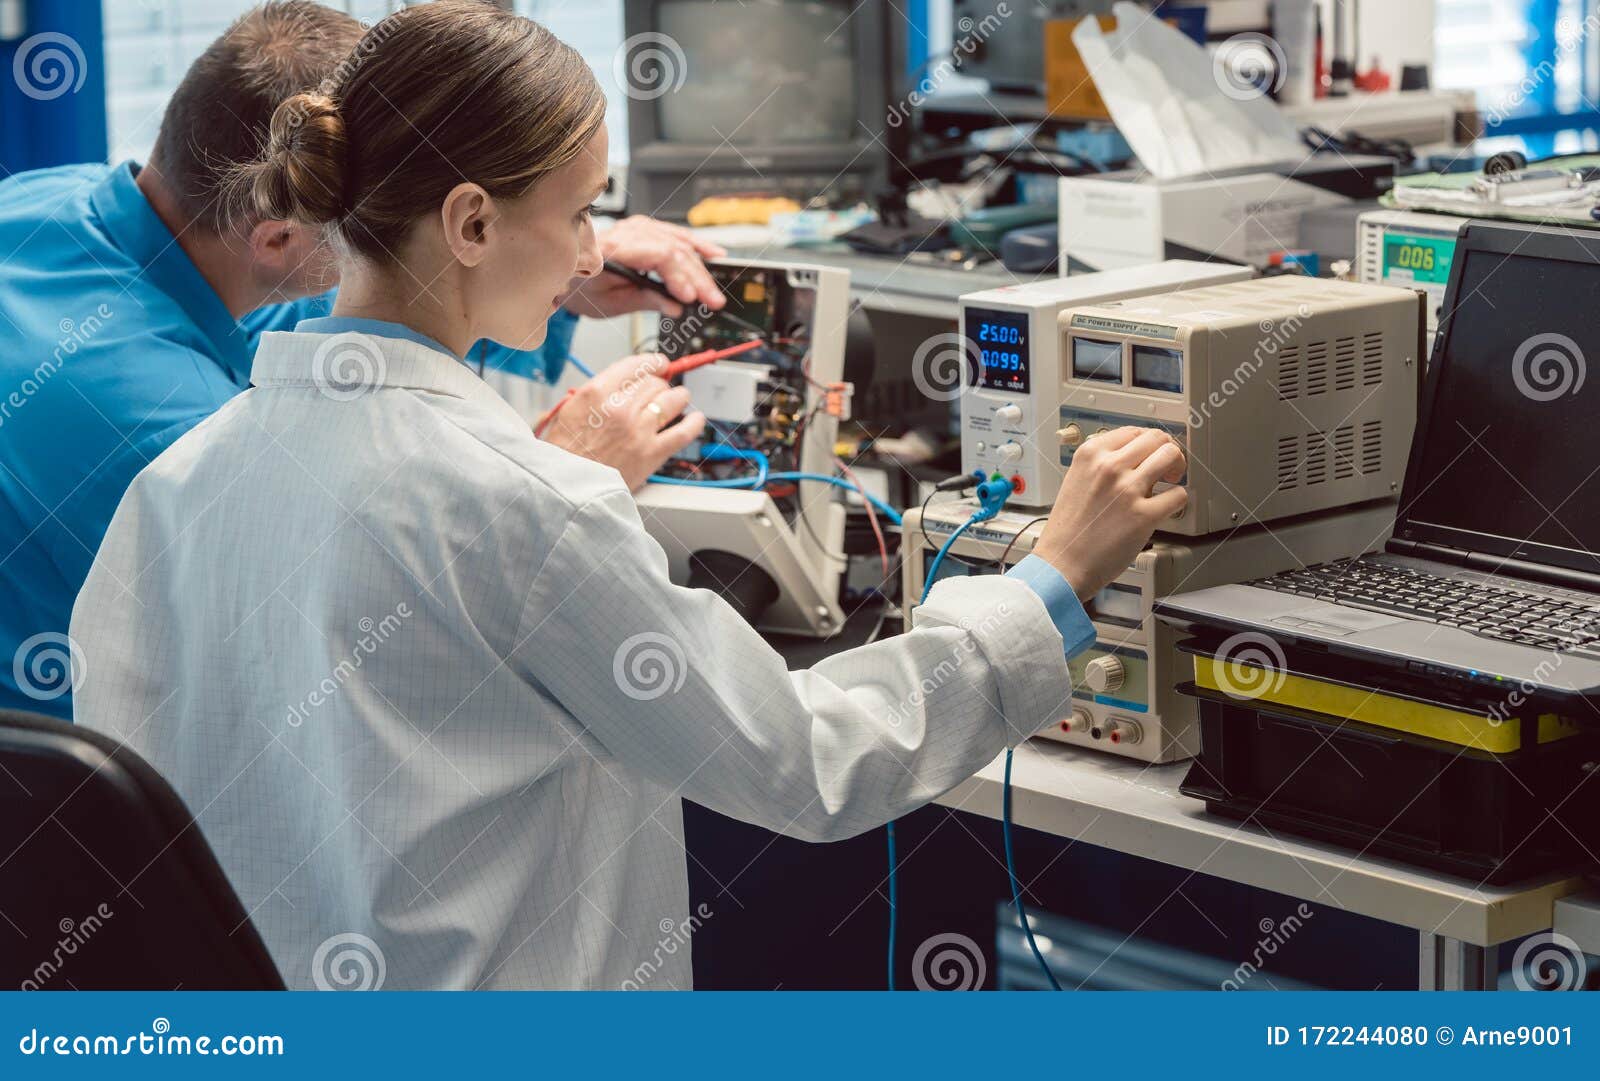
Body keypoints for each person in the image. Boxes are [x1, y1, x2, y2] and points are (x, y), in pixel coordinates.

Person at [71, 1, 1187, 990]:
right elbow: (807, 759)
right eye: (579, 210)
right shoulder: (524, 504)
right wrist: (1052, 581)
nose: (592, 250)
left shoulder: (176, 484)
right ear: (468, 223)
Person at [0, 1, 722, 720]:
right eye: (364, 217)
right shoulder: (166, 433)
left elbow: (272, 312)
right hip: (69, 791)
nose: (377, 239)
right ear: (281, 232)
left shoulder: (49, 202)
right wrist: (552, 475)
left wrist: (545, 269)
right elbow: (359, 622)